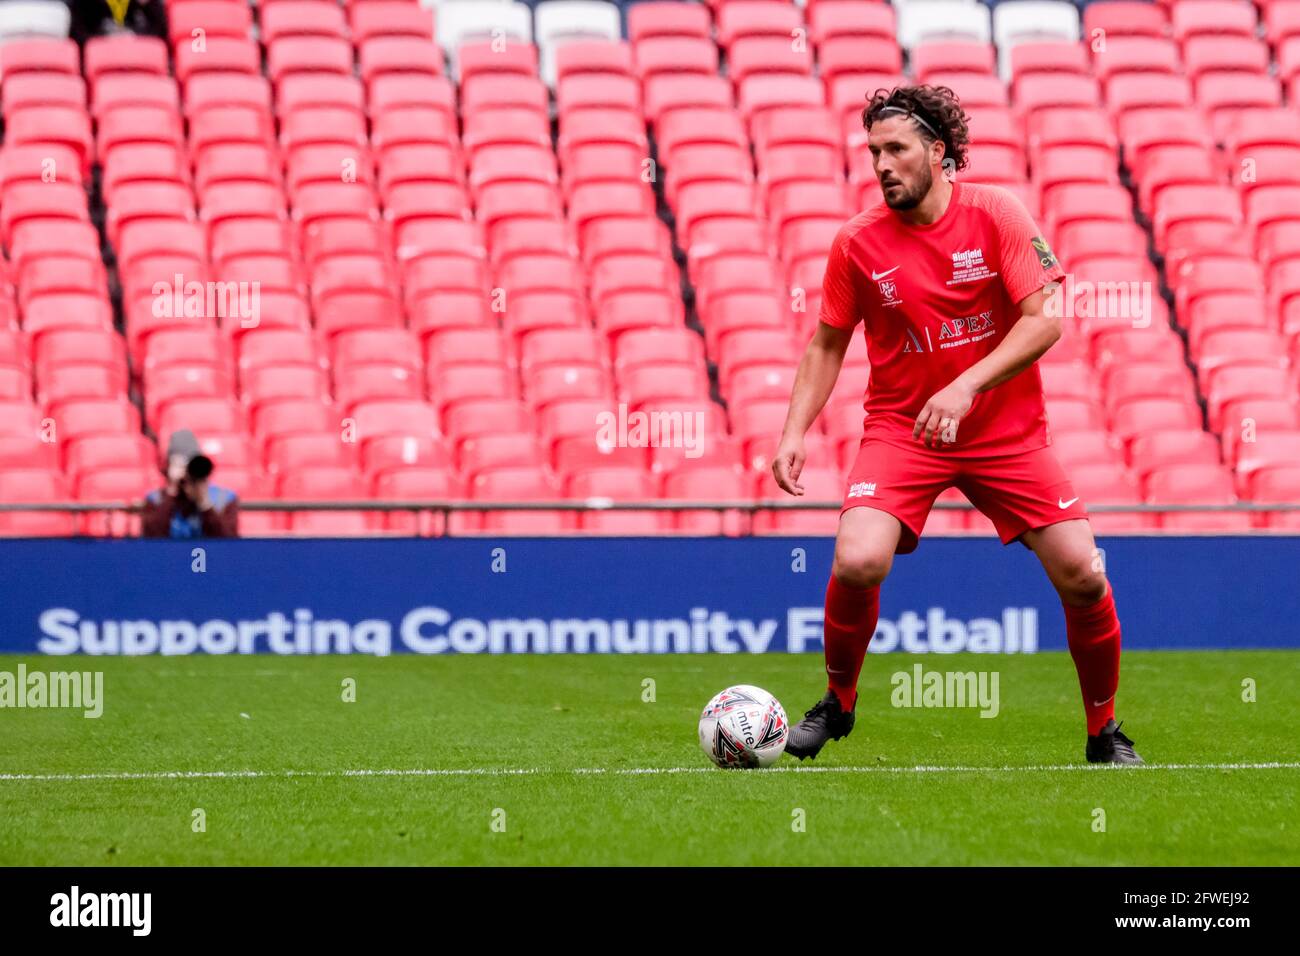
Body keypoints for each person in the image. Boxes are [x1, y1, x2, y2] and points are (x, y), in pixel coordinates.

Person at [771, 85, 1142, 765]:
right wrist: (794, 432)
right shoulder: (855, 243)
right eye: (874, 151)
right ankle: (837, 704)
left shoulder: (997, 212)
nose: (882, 164)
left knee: (1085, 575)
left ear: (937, 153)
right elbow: (826, 345)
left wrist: (967, 385)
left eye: (896, 150)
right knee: (857, 560)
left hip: (1007, 432)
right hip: (902, 429)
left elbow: (1047, 319)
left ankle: (1104, 731)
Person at [142, 429, 239, 538]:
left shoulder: (225, 499)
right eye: (180, 465)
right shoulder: (155, 499)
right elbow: (151, 539)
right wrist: (172, 490)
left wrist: (204, 502)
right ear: (168, 467)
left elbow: (228, 544)